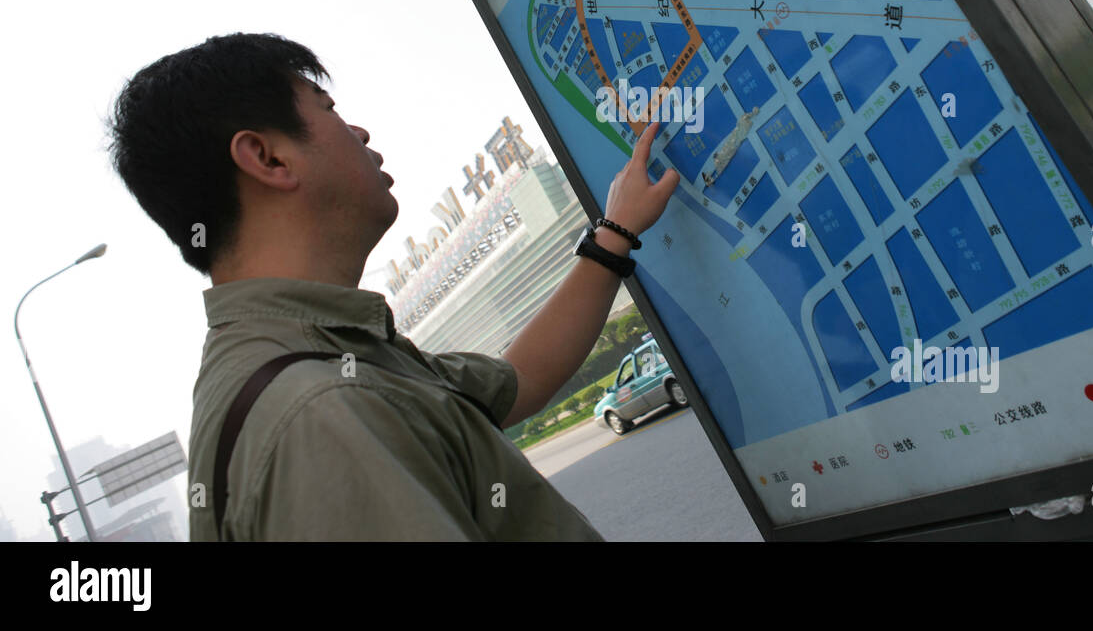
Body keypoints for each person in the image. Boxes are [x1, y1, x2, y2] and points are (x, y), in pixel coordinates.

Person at [105, 32, 679, 540]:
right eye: (328, 109)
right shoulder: (316, 411)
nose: (357, 129)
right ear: (267, 157)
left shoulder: (323, 355)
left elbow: (517, 382)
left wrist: (613, 235)